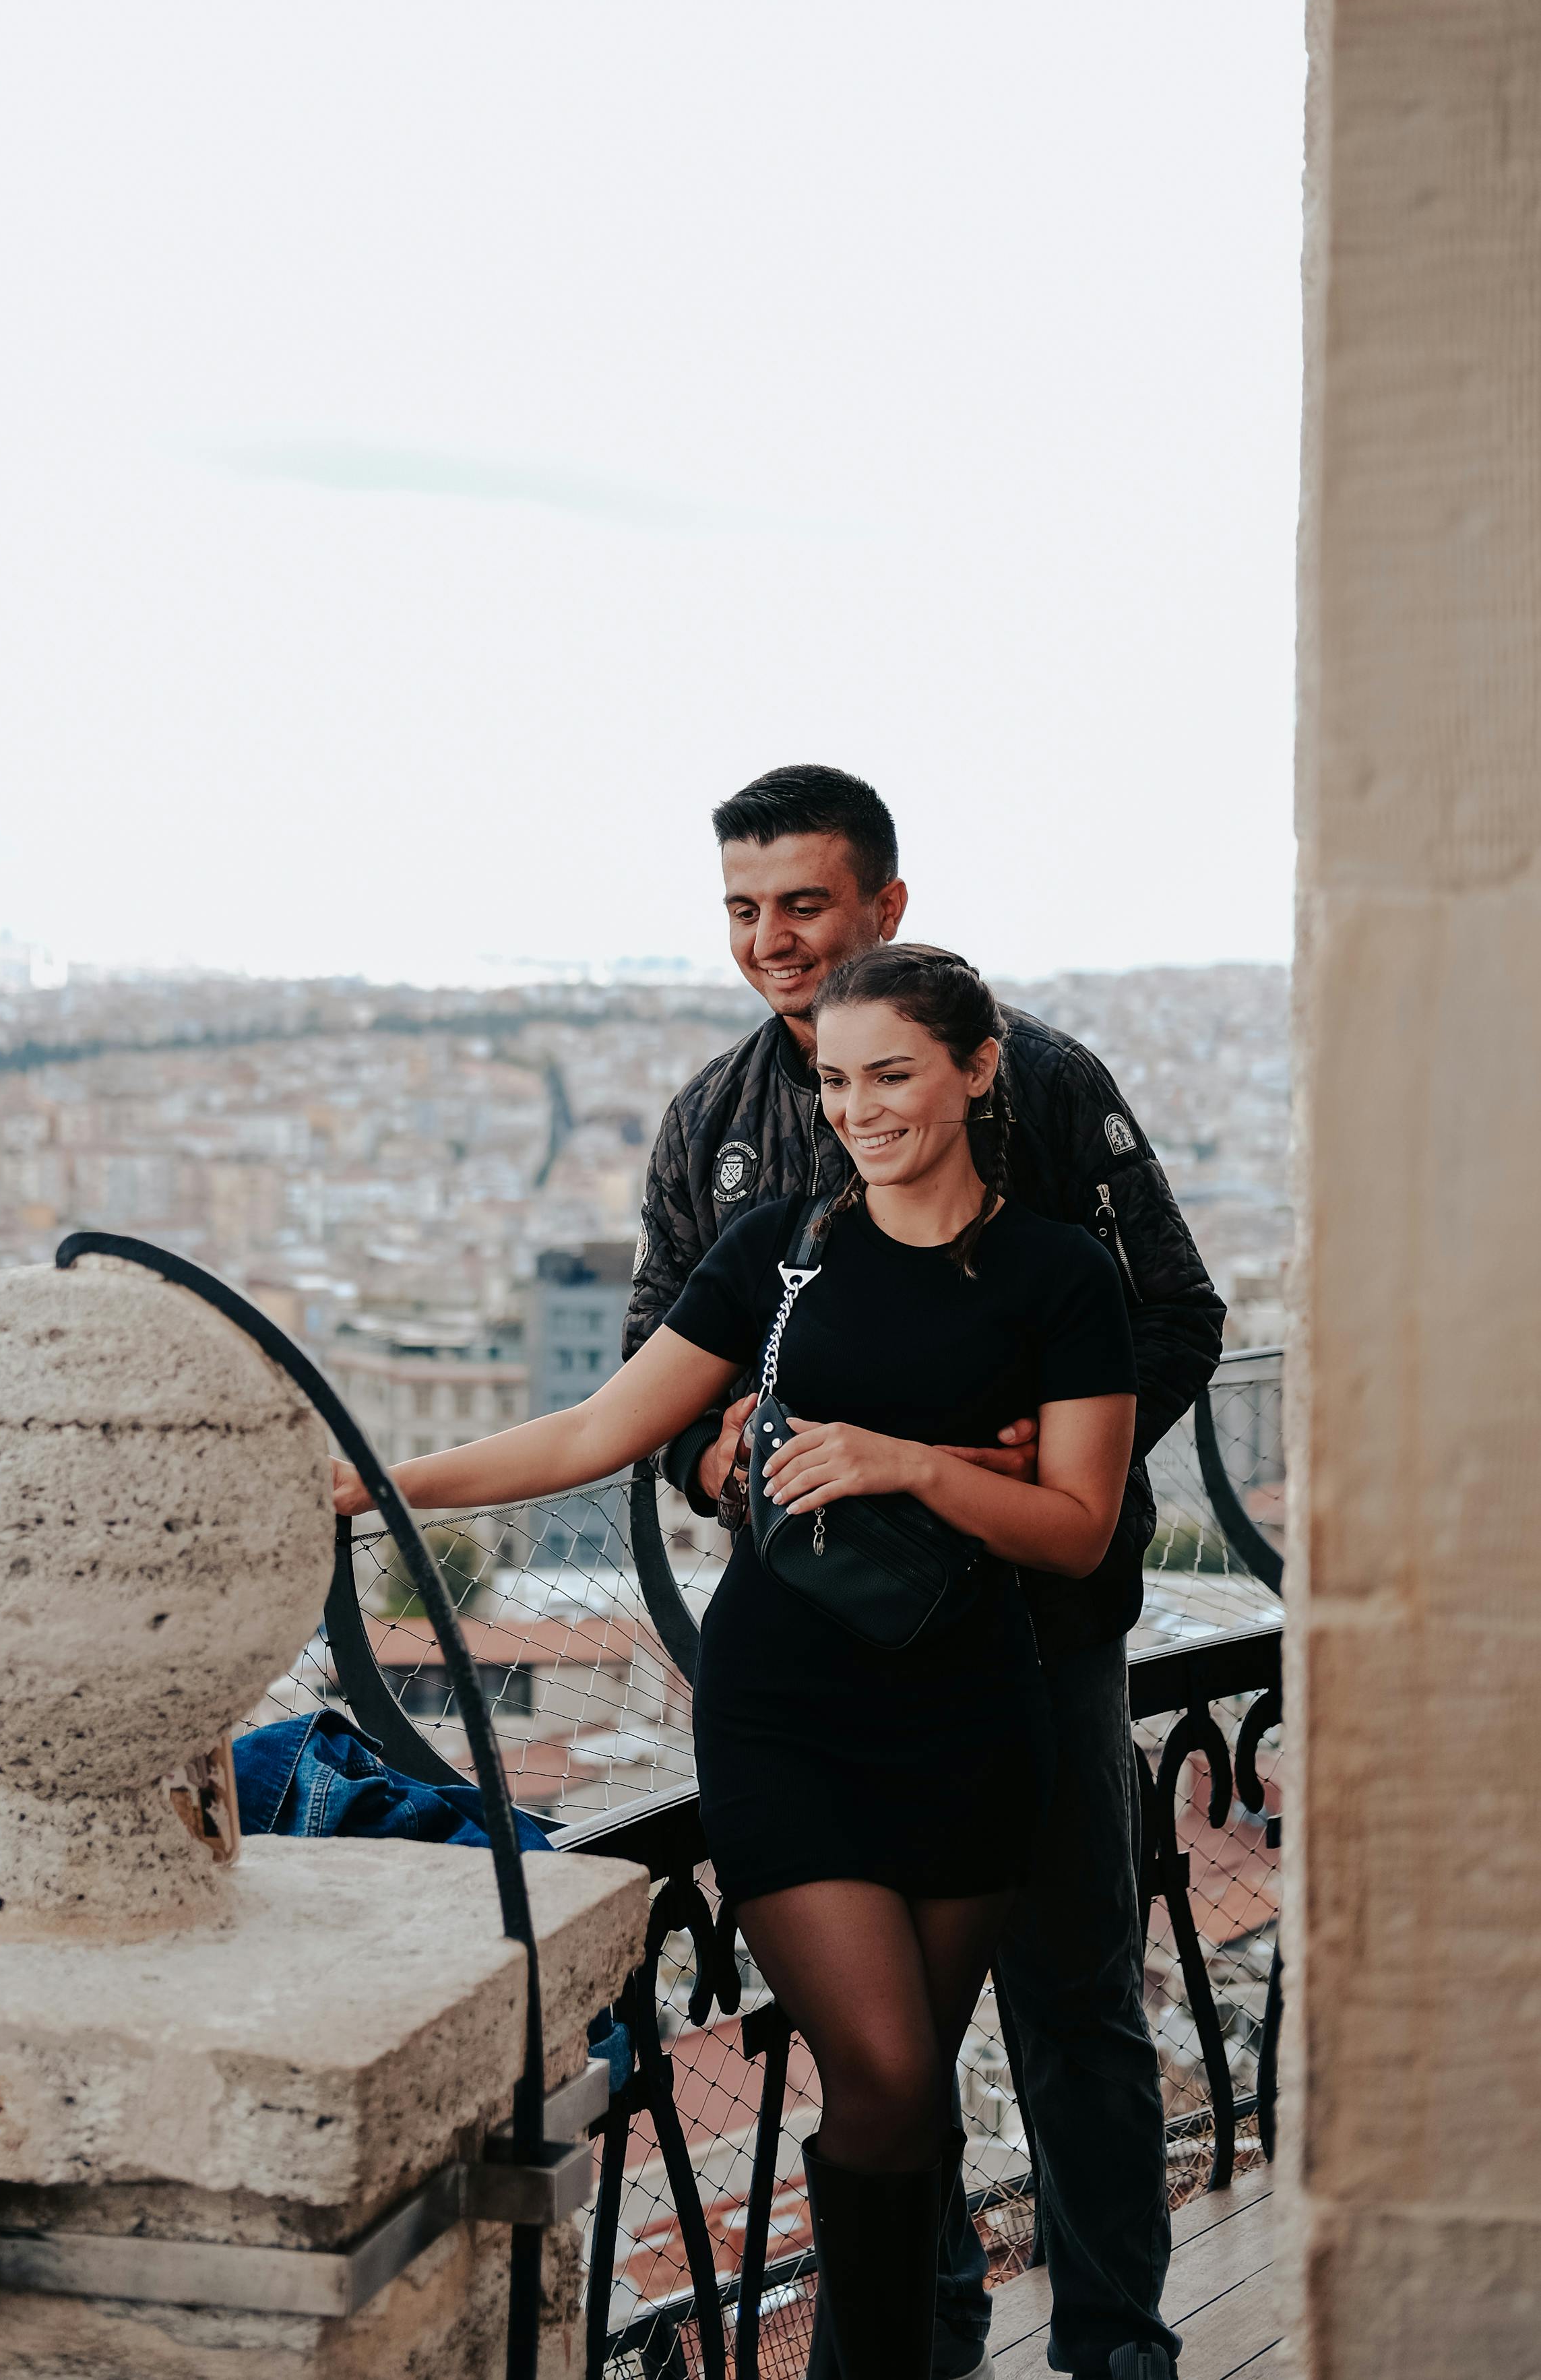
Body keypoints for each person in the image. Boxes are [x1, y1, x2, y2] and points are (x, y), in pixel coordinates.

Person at [332, 947, 1141, 2377]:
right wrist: (376, 1484)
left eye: (891, 1073)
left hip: (968, 1715)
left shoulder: (1060, 1274)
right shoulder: (780, 1244)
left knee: (915, 2106)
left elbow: (1075, 1530)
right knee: (884, 2075)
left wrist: (907, 1465)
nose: (859, 1109)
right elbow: (594, 1431)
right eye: (834, 1081)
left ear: (976, 1067)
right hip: (786, 1715)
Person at [626, 765, 1224, 2380]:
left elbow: (1166, 1309)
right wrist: (713, 1456)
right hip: (826, 1651)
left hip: (1032, 1631)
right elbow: (649, 1378)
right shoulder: (717, 1125)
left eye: (802, 905)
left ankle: (1111, 2343)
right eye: (743, 910)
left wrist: (1021, 1465)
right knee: (894, 2045)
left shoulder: (1028, 1074)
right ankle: (930, 2331)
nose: (770, 940)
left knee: (1071, 1991)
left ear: (885, 904)